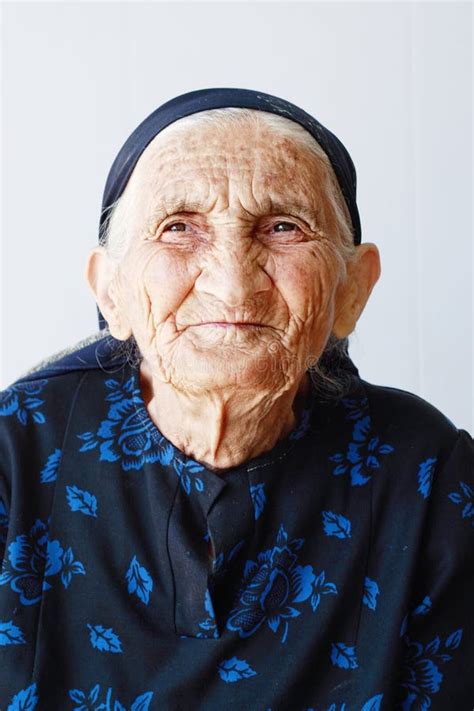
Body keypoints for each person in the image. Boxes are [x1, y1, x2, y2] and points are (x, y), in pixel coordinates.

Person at [0, 87, 472, 711]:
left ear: (352, 288)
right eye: (178, 229)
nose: (231, 283)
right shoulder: (13, 456)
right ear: (110, 291)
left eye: (282, 228)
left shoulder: (428, 477)